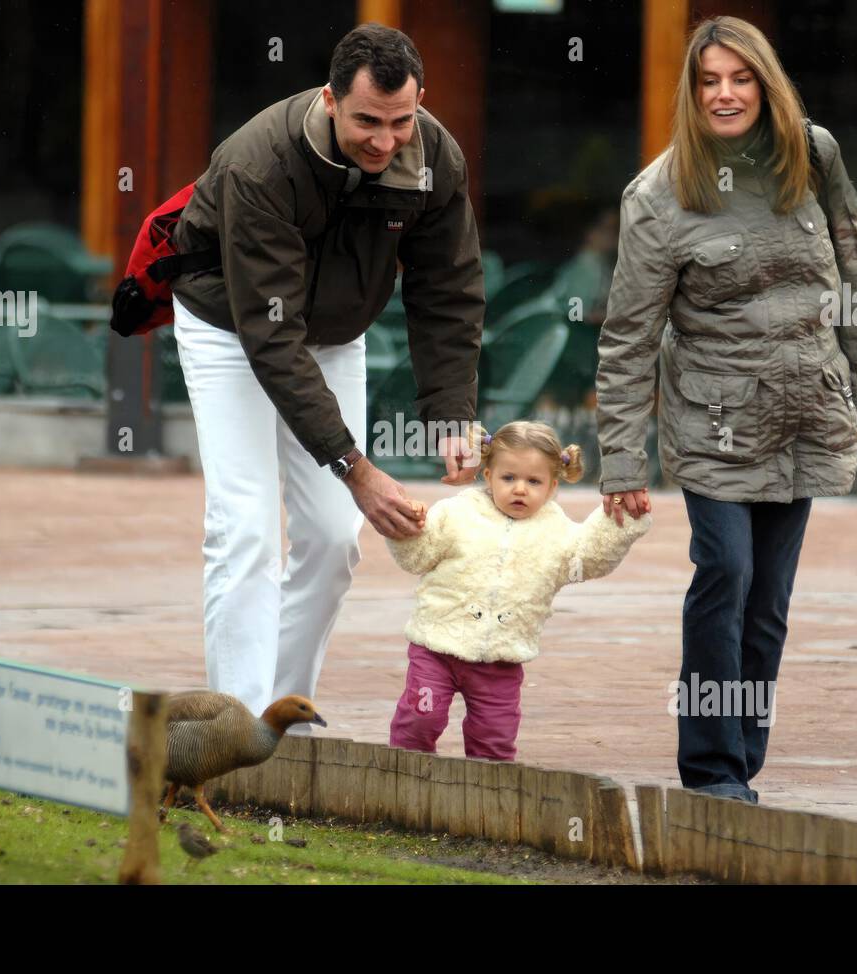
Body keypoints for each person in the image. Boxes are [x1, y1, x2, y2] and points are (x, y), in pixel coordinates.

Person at [595, 16, 857, 803]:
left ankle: (743, 759)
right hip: (713, 421)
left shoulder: (815, 155)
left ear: (765, 82)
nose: (725, 94)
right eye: (708, 82)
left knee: (767, 606)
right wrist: (622, 459)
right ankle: (712, 769)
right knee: (725, 572)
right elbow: (628, 338)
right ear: (692, 96)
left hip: (802, 414)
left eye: (740, 78)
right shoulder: (659, 198)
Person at [169, 24, 485, 720]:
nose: (384, 140)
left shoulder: (434, 155)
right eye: (367, 121)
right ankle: (237, 731)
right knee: (245, 527)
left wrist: (452, 413)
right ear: (331, 100)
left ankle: (279, 712)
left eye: (401, 121)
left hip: (336, 333)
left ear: (421, 102)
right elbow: (273, 337)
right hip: (232, 330)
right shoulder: (261, 162)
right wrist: (356, 467)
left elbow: (448, 288)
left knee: (335, 538)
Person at [386, 421, 652, 761]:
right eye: (508, 478)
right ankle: (403, 778)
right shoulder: (457, 513)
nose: (520, 489)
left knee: (494, 737)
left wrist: (623, 523)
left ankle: (487, 801)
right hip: (436, 648)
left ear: (553, 486)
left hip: (501, 660)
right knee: (421, 717)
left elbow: (589, 557)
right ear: (488, 474)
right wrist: (407, 527)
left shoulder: (557, 532)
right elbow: (416, 557)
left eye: (534, 481)